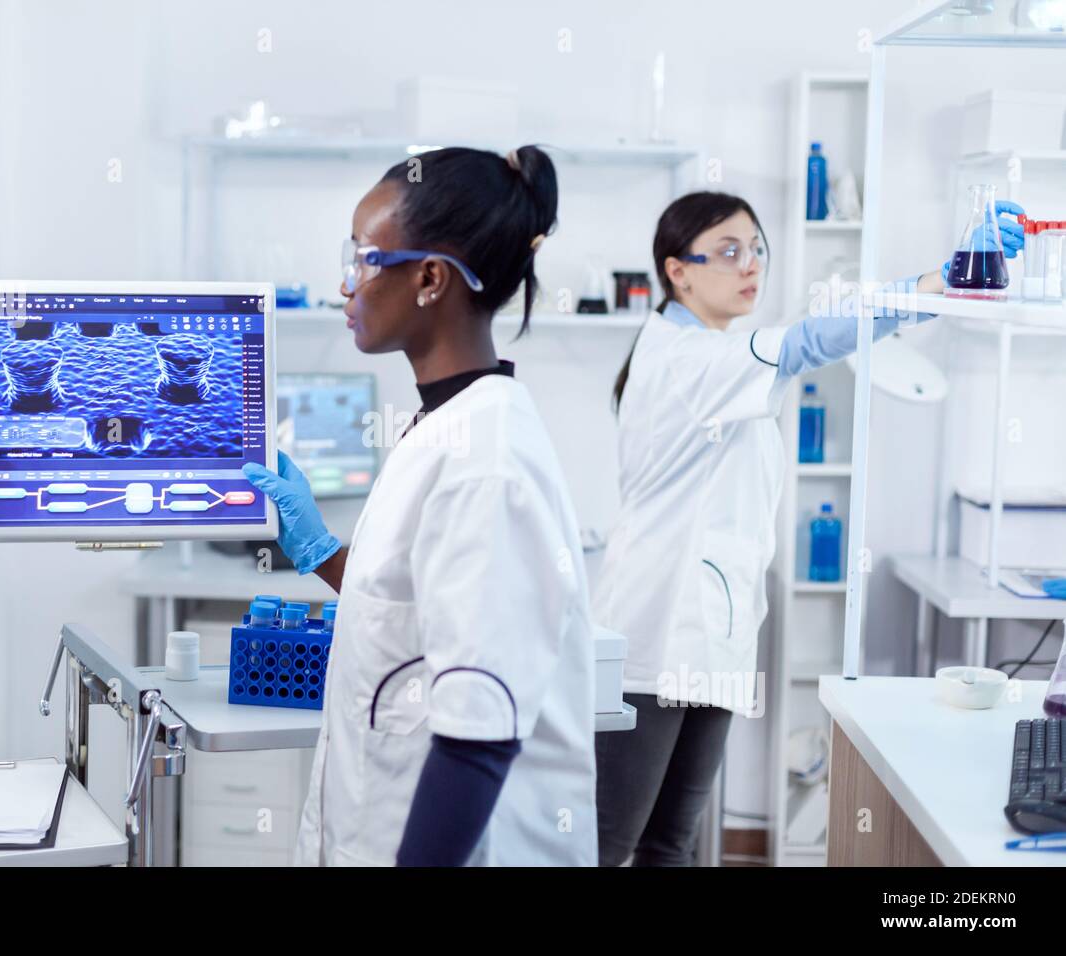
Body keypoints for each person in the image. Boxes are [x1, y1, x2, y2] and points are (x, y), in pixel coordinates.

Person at [591, 190, 1024, 867]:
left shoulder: (719, 351)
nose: (750, 265)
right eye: (729, 251)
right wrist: (941, 281)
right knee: (607, 843)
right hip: (657, 629)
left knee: (671, 840)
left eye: (757, 249)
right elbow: (809, 341)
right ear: (678, 271)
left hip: (713, 629)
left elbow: (808, 332)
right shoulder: (683, 359)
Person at [243, 145, 597, 866]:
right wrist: (319, 551)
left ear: (431, 278)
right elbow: (419, 618)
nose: (346, 285)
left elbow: (478, 744)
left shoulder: (484, 465)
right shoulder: (446, 426)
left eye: (363, 259)